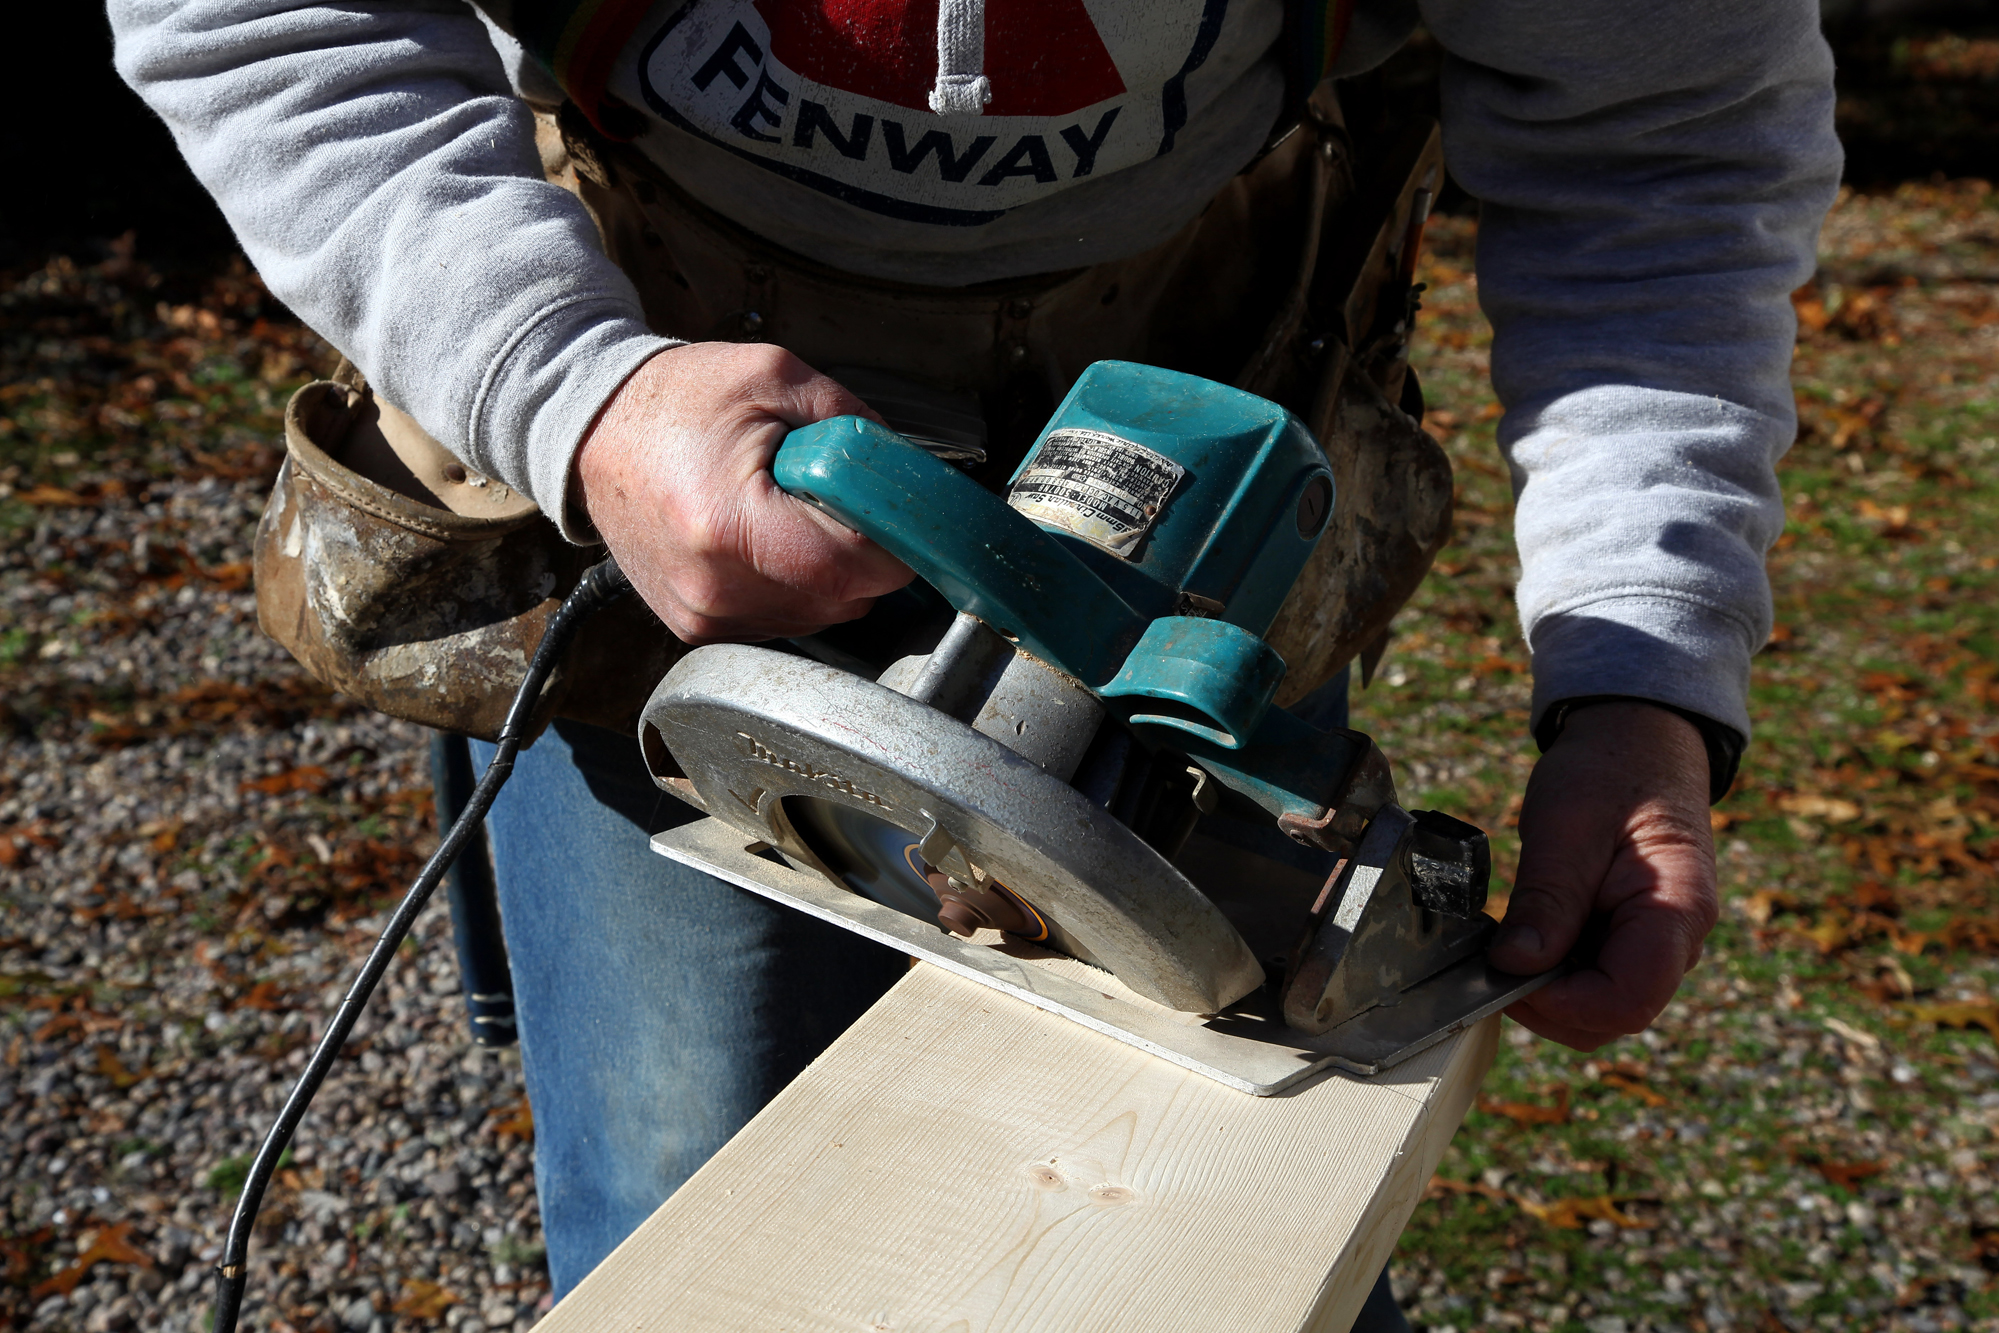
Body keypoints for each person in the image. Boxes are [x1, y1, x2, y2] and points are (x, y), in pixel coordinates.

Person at [111, 0, 1840, 1322]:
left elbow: (1666, 141)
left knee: (1197, 1238)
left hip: (1206, 467)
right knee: (703, 1227)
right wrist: (570, 388)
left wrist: (1641, 679)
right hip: (648, 465)